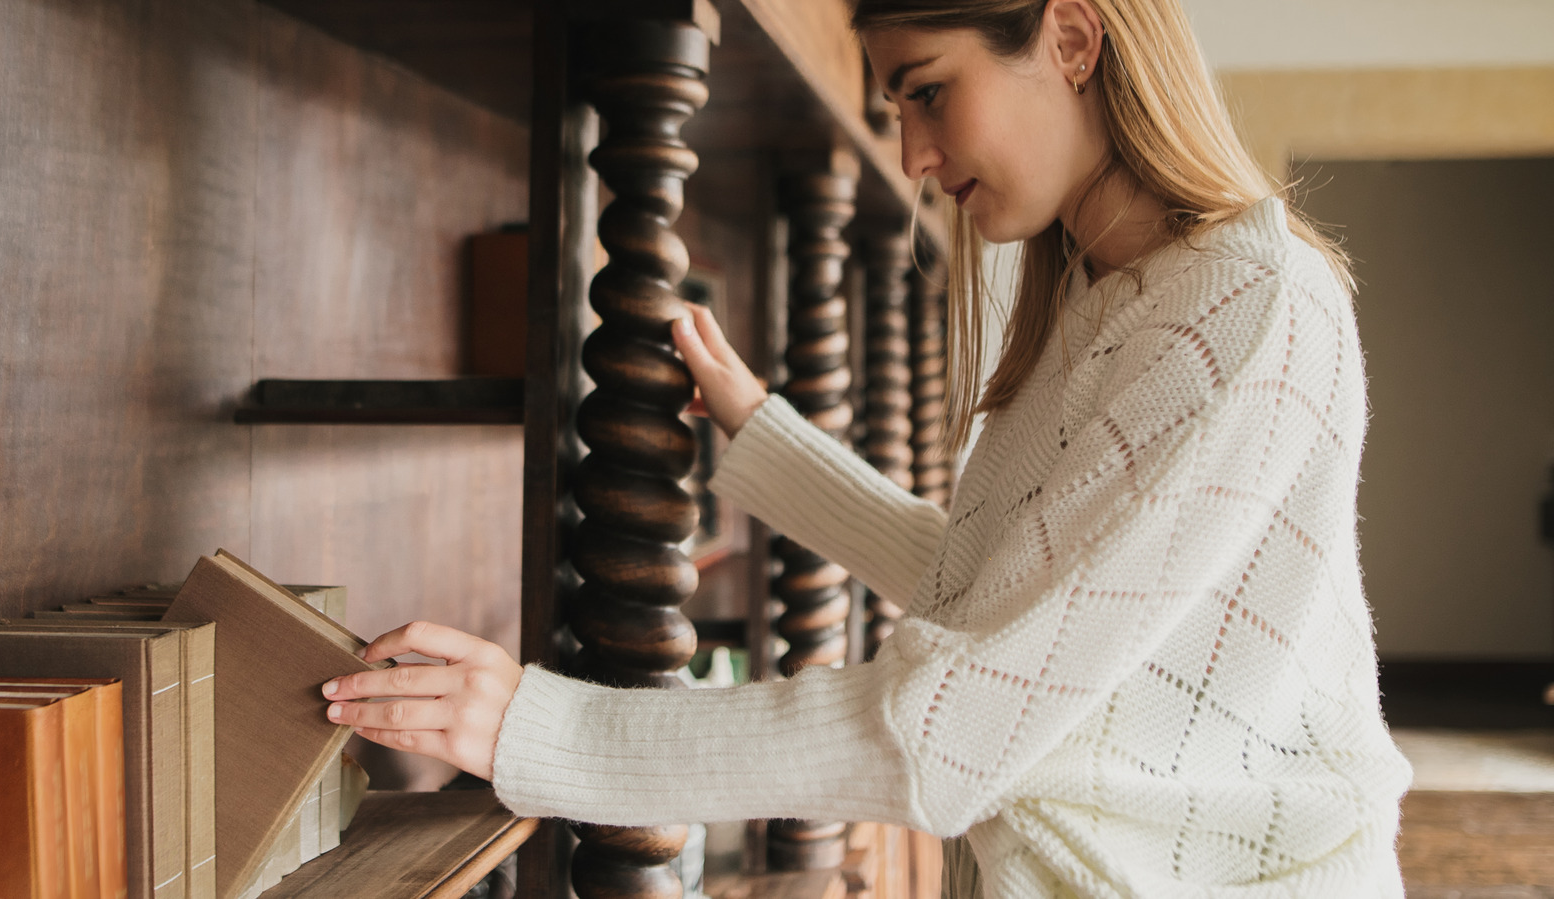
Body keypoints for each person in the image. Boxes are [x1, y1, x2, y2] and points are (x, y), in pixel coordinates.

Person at [319, 0, 1415, 894]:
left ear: (1073, 40)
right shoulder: (1105, 300)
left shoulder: (1243, 304)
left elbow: (947, 727)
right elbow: (980, 587)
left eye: (928, 89)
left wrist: (548, 729)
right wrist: (762, 431)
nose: (915, 153)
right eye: (896, 105)